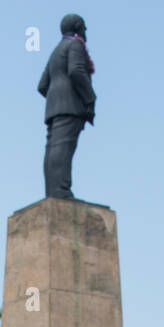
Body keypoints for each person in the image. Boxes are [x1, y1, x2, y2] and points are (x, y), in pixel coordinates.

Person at [38, 14, 96, 200]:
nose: (86, 31)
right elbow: (76, 71)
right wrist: (89, 97)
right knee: (63, 148)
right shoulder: (75, 45)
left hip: (54, 107)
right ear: (78, 27)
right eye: (84, 27)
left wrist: (56, 95)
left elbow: (42, 85)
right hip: (70, 105)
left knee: (53, 148)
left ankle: (53, 192)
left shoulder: (56, 51)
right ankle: (61, 191)